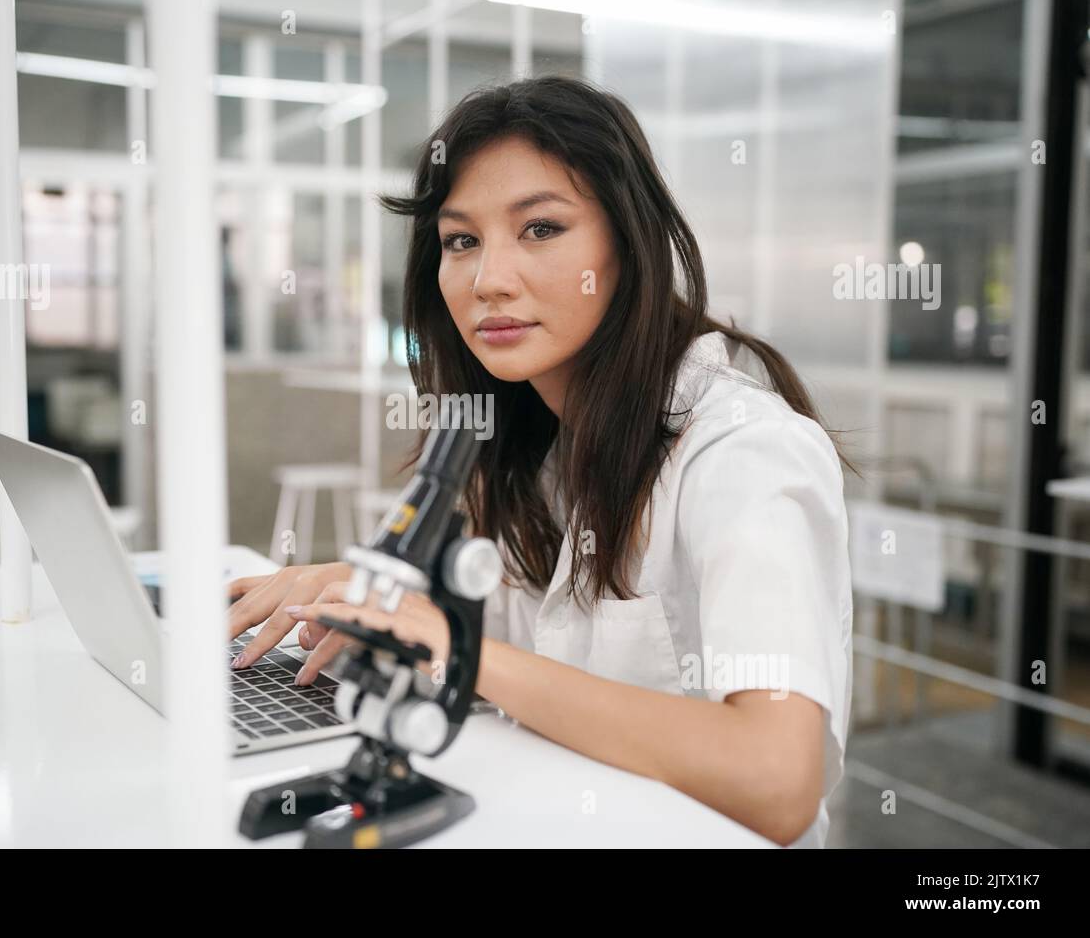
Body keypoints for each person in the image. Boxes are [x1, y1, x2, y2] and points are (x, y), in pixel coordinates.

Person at [226, 75, 856, 848]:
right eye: (461, 241)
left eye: (541, 229)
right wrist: (380, 604)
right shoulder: (533, 443)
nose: (489, 279)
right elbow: (521, 663)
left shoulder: (742, 451)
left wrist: (456, 649)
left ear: (626, 243)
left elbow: (777, 778)